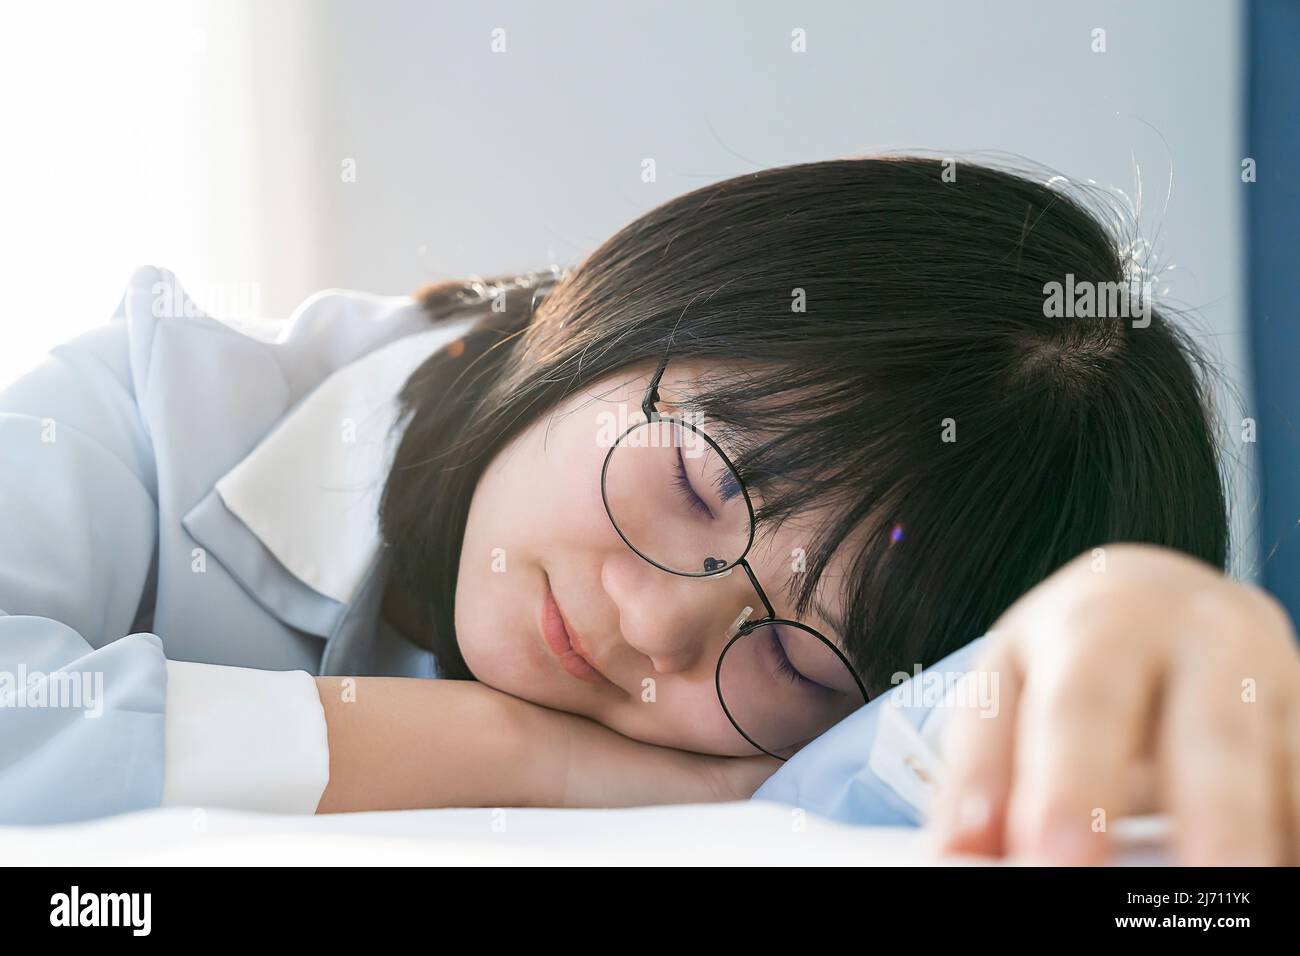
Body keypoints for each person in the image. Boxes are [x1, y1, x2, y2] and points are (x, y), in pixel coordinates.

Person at [1, 157, 1294, 864]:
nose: (660, 627)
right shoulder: (149, 399)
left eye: (788, 654)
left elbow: (1019, 727)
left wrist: (1179, 618)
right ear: (629, 300)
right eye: (694, 482)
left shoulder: (800, 759)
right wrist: (524, 759)